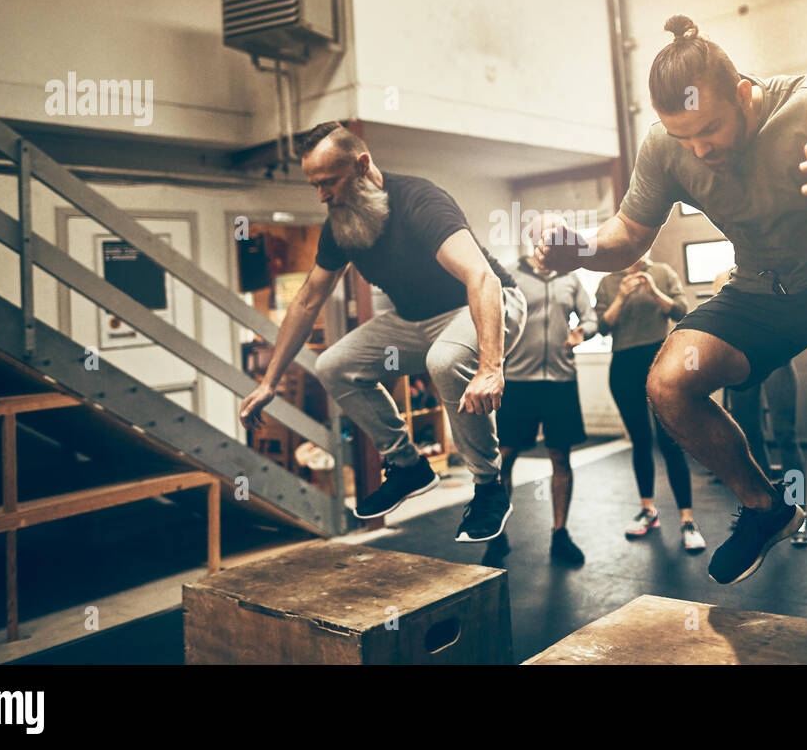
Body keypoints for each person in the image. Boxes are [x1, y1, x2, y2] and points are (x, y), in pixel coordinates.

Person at [534, 14, 807, 608]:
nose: (698, 149)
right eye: (683, 138)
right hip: (760, 288)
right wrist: (576, 247)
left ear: (744, 92)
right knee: (669, 383)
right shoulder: (667, 147)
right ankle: (764, 508)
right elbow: (627, 236)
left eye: (710, 129)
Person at [239, 121, 526, 544]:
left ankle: (488, 487)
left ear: (362, 165)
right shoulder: (341, 224)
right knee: (333, 364)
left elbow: (480, 276)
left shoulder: (419, 201)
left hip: (486, 303)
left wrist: (489, 368)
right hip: (414, 322)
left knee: (445, 360)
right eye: (313, 185)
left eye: (329, 182)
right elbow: (307, 300)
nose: (322, 195)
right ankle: (407, 466)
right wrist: (269, 382)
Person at [485, 224, 599, 567]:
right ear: (533, 241)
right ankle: (498, 534)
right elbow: (490, 318)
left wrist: (584, 331)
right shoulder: (509, 275)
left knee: (560, 457)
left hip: (560, 381)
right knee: (504, 457)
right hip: (518, 380)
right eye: (545, 240)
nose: (549, 247)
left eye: (556, 242)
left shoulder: (571, 278)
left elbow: (591, 317)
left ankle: (560, 534)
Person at [596, 254, 707, 553]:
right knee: (640, 441)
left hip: (659, 361)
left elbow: (681, 311)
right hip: (623, 365)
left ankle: (687, 520)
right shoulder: (608, 281)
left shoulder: (662, 271)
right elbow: (603, 327)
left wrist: (653, 290)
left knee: (670, 441)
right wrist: (621, 296)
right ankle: (648, 511)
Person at [712, 267, 807, 546]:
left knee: (786, 435)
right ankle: (768, 511)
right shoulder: (724, 278)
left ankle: (800, 514)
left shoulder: (771, 273)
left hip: (777, 360)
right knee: (749, 437)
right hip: (741, 363)